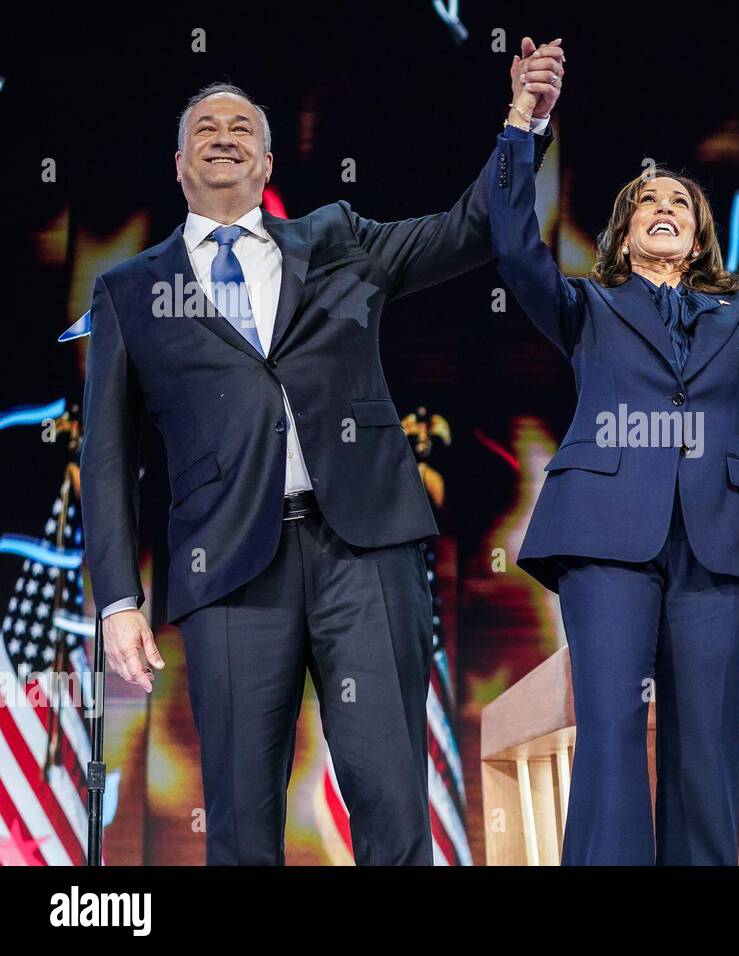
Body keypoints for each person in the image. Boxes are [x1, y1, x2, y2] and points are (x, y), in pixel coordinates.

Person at [78, 40, 562, 865]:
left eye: (241, 126)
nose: (223, 135)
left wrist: (522, 121)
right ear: (178, 161)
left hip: (365, 551)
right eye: (205, 127)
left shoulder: (338, 240)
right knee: (239, 817)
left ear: (267, 157)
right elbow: (108, 455)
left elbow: (469, 229)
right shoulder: (129, 290)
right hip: (228, 569)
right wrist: (119, 598)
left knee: (392, 802)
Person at [490, 70, 739, 864]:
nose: (665, 210)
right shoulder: (588, 307)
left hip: (717, 540)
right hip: (607, 533)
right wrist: (523, 124)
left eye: (681, 203)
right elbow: (513, 246)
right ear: (619, 235)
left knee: (709, 744)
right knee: (611, 730)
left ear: (701, 237)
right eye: (648, 202)